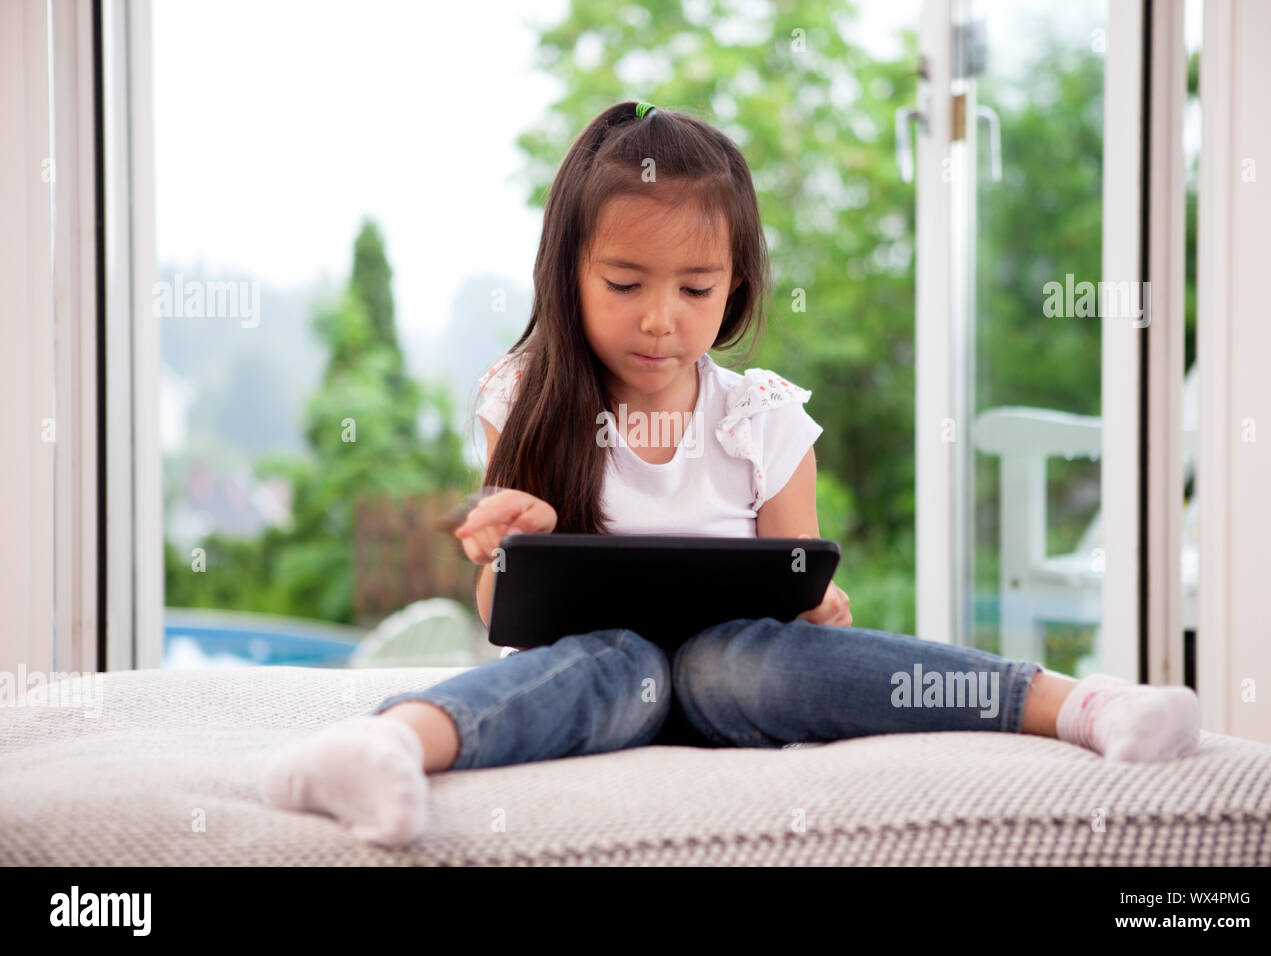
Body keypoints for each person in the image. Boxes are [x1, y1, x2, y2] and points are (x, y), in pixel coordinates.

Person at [261, 101, 1201, 846]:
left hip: (731, 673)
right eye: (625, 285)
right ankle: (380, 745)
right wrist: (509, 552)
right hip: (598, 671)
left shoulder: (763, 418)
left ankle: (1081, 704)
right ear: (568, 275)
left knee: (743, 662)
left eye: (696, 289)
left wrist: (816, 614)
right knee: (614, 658)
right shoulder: (525, 398)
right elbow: (496, 613)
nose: (661, 320)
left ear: (737, 285)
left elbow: (795, 585)